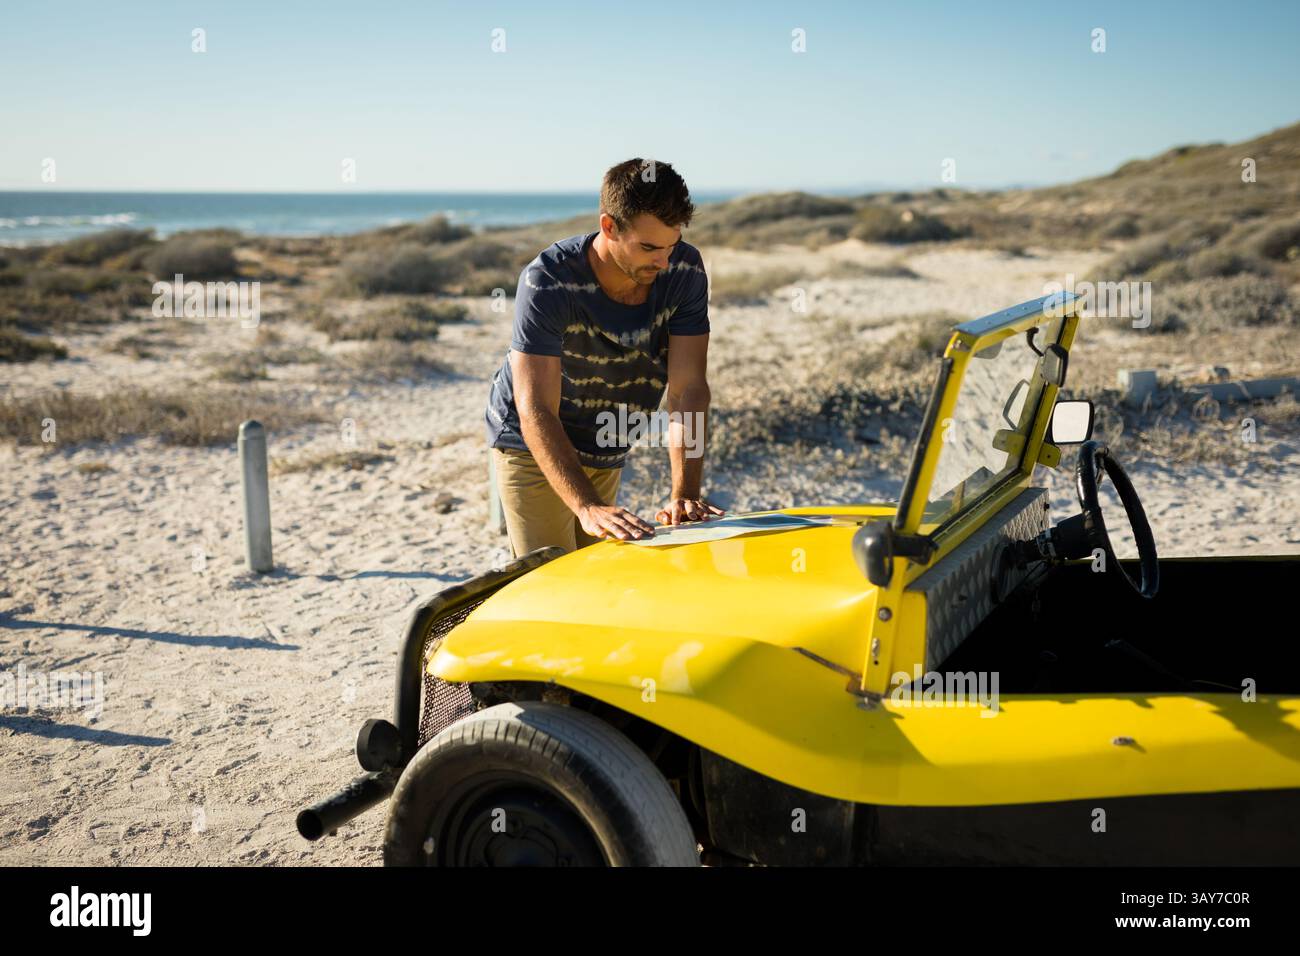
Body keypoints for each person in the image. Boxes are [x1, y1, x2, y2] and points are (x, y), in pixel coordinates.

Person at [484, 157, 724, 556]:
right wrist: (586, 505)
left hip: (607, 436)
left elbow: (688, 390)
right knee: (550, 579)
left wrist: (685, 492)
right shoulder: (549, 281)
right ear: (609, 226)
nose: (663, 261)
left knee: (597, 575)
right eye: (648, 247)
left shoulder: (684, 269)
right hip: (533, 441)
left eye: (671, 245)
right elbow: (535, 408)